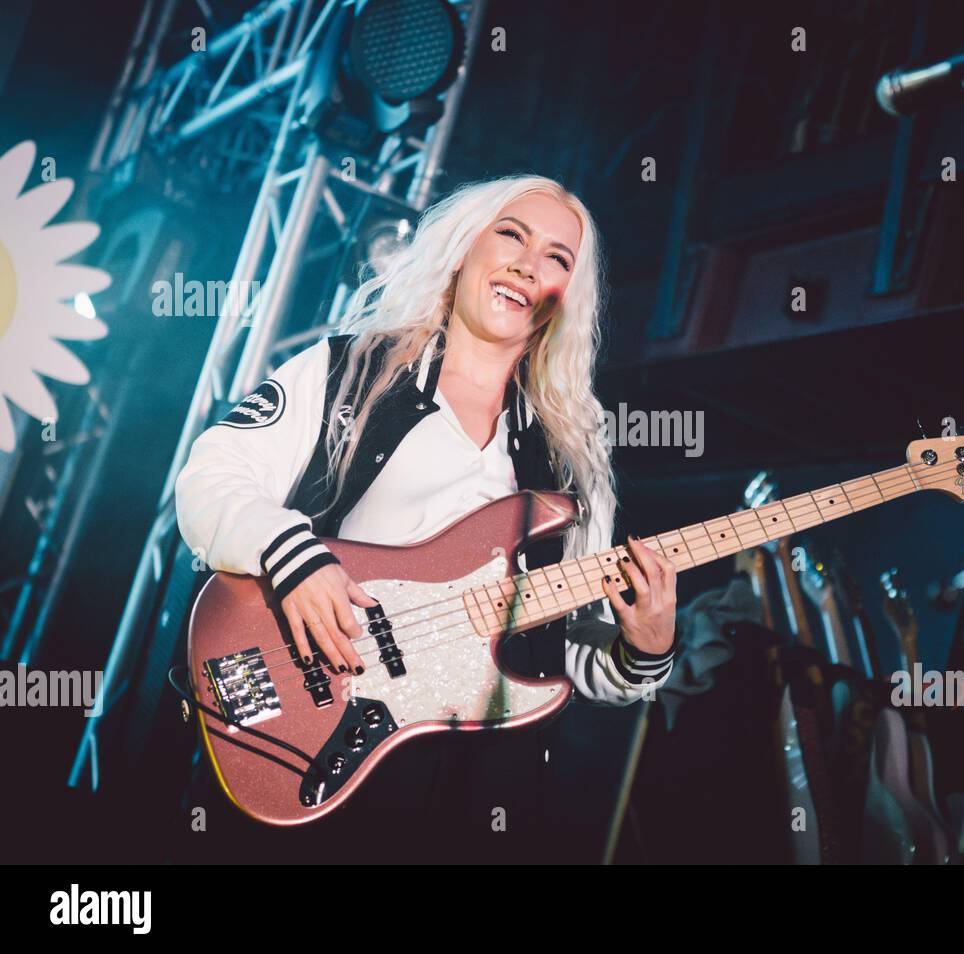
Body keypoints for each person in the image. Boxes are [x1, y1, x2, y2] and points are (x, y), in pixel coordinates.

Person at [173, 175, 679, 862]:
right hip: (320, 732)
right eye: (512, 235)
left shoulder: (571, 461)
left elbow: (564, 659)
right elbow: (209, 478)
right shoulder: (346, 370)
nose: (529, 265)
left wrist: (642, 650)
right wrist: (295, 558)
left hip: (470, 801)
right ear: (465, 247)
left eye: (558, 258)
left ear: (569, 296)